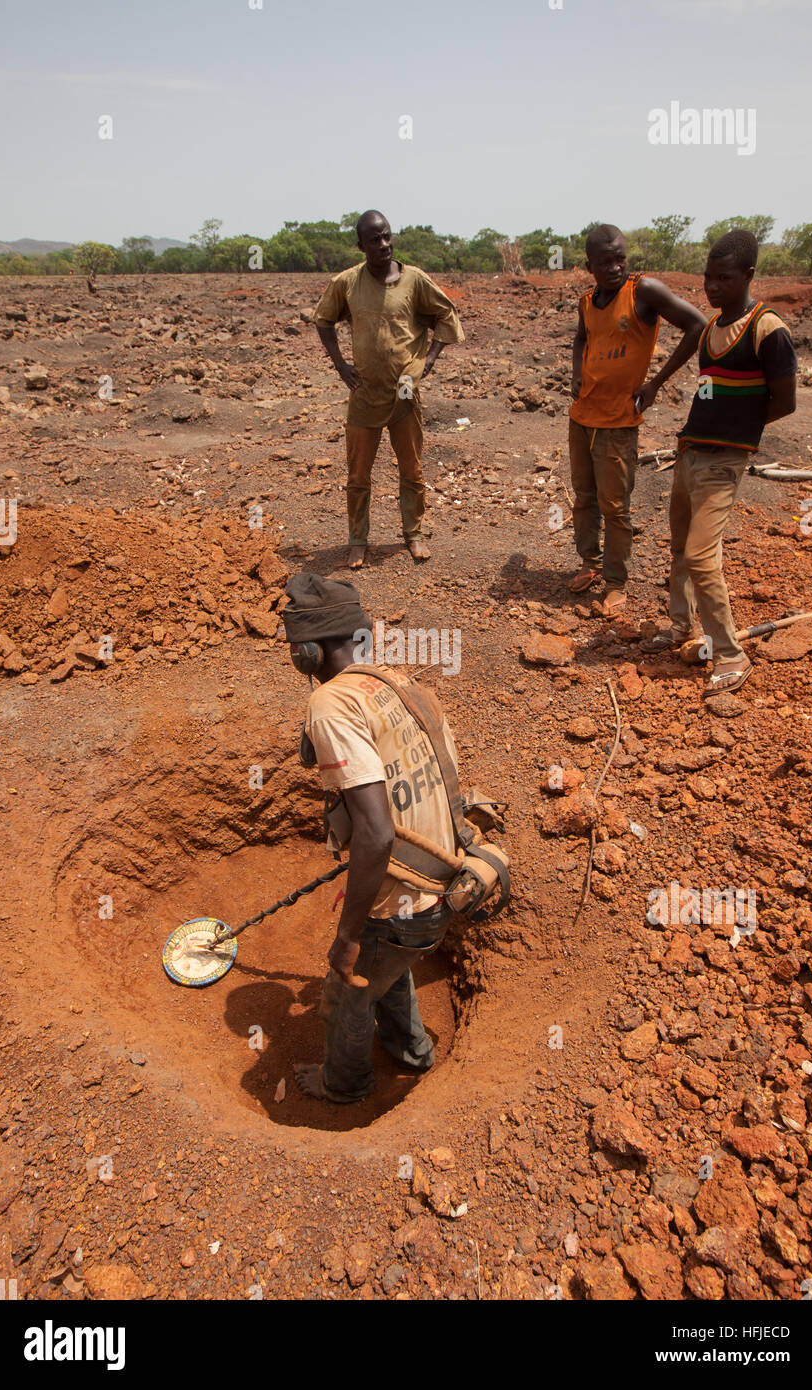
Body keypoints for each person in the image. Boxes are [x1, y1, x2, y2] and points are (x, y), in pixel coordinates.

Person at [282, 573, 460, 1104]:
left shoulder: (332, 705)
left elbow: (377, 833)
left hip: (403, 901)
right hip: (445, 878)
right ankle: (411, 1051)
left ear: (307, 653)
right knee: (385, 967)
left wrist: (347, 933)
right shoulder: (397, 681)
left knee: (347, 986)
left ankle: (345, 1086)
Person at [642, 229, 797, 695]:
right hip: (689, 451)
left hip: (723, 460)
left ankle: (729, 653)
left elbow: (784, 402)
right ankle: (679, 626)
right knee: (679, 548)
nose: (712, 286)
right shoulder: (710, 328)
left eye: (723, 278)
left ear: (748, 275)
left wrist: (739, 434)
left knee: (701, 556)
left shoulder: (769, 330)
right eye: (708, 278)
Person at [313, 210, 465, 569]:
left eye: (386, 236)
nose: (383, 244)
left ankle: (413, 535)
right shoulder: (347, 283)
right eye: (374, 240)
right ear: (361, 245)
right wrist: (339, 364)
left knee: (411, 469)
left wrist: (428, 360)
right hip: (365, 391)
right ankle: (357, 541)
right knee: (358, 474)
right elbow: (323, 320)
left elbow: (446, 314)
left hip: (404, 391)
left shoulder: (414, 280)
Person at [569, 224, 706, 615]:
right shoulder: (586, 300)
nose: (614, 267)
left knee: (615, 507)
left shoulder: (643, 291)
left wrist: (657, 383)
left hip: (618, 422)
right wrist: (577, 372)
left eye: (620, 259)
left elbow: (696, 325)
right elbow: (581, 338)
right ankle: (589, 564)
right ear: (589, 265)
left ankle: (616, 582)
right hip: (582, 417)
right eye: (605, 261)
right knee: (584, 498)